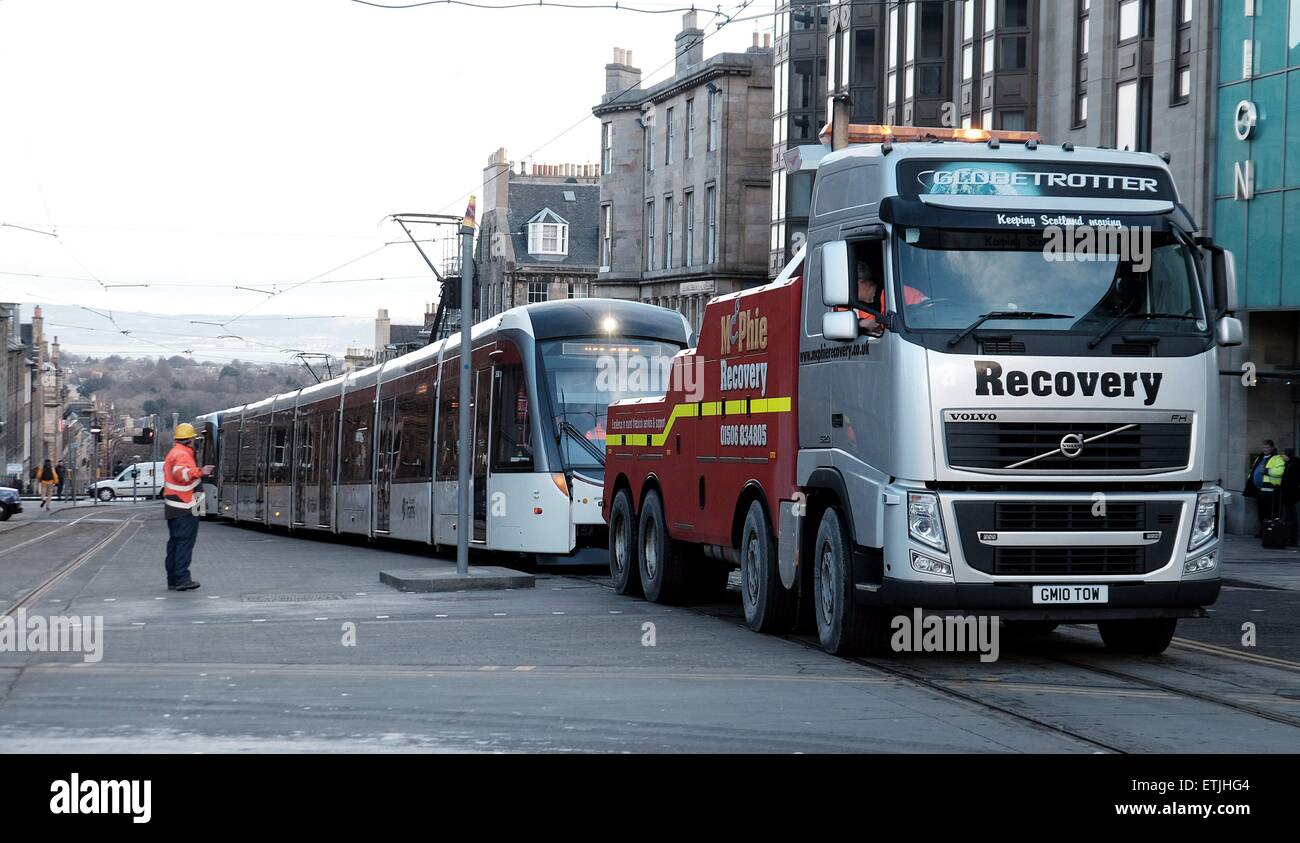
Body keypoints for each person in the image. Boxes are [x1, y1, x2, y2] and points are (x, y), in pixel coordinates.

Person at [162, 423, 214, 591]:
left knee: (175, 542)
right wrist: (201, 471)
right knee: (185, 542)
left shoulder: (175, 452)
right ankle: (183, 579)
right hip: (185, 504)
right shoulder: (182, 454)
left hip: (176, 503)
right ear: (190, 440)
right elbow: (181, 474)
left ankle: (173, 579)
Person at [1245, 439, 1288, 537]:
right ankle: (1262, 531)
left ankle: (1269, 532)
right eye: (1263, 447)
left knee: (1270, 513)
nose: (1265, 449)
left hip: (1271, 490)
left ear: (1272, 448)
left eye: (1267, 447)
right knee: (1261, 512)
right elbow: (1253, 470)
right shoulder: (1260, 457)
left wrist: (1266, 471)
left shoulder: (1277, 458)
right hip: (1259, 490)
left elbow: (1280, 472)